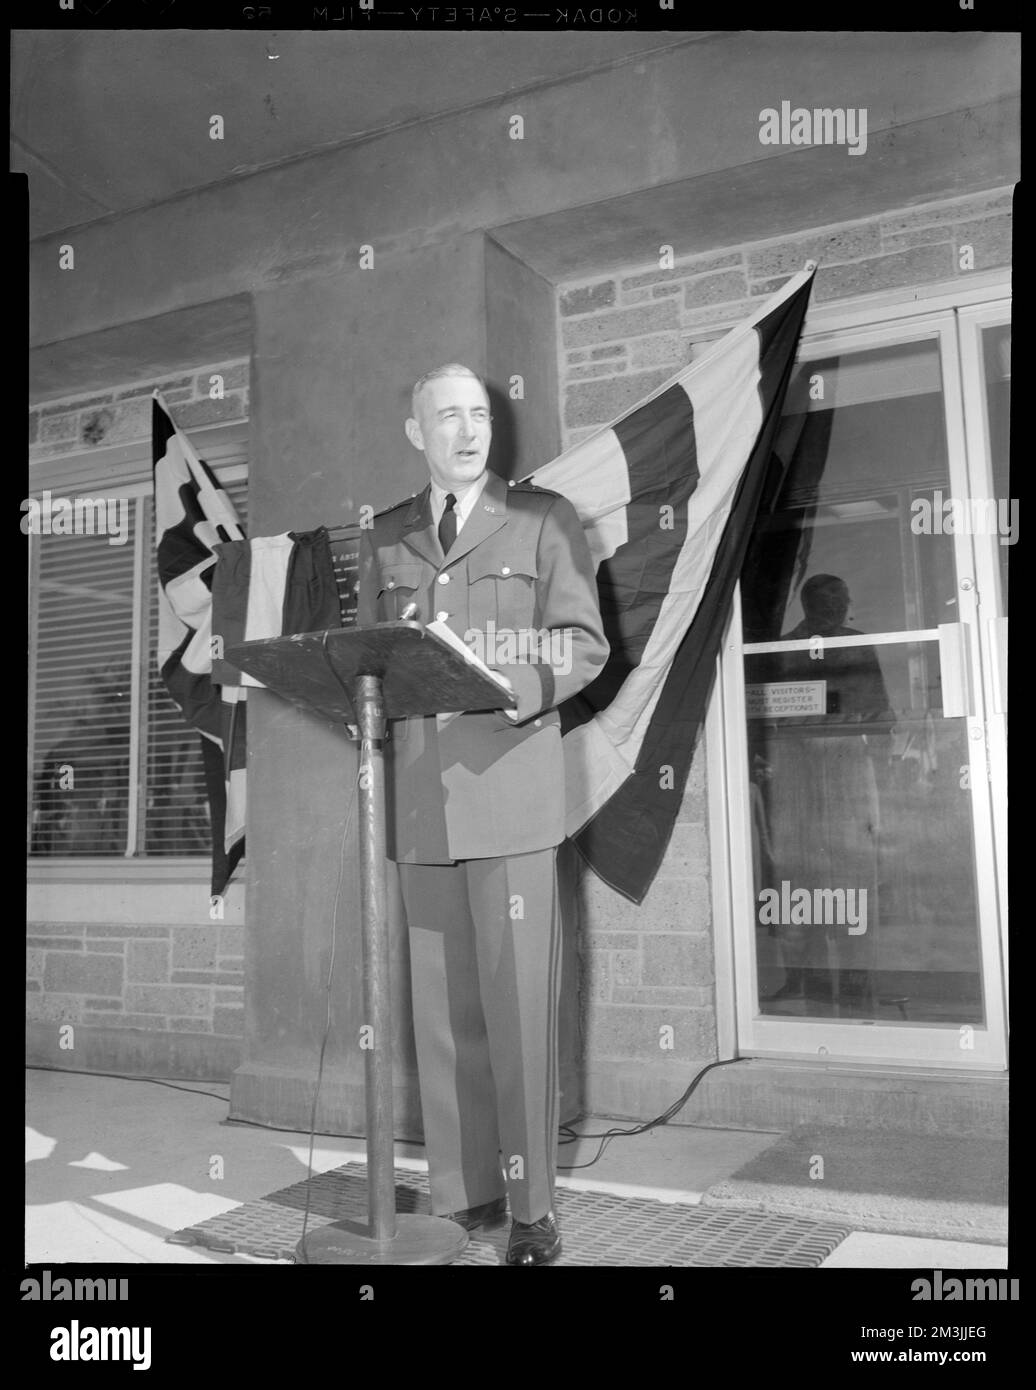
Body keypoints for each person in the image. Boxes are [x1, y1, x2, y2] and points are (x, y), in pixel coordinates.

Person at [356, 364, 608, 1265]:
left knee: (517, 1015)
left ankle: (532, 1209)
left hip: (512, 798)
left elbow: (583, 644)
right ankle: (463, 1197)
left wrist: (520, 683)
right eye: (445, 417)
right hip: (422, 806)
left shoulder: (545, 521)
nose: (466, 430)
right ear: (415, 431)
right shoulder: (384, 538)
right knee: (442, 1016)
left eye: (478, 414)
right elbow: (371, 658)